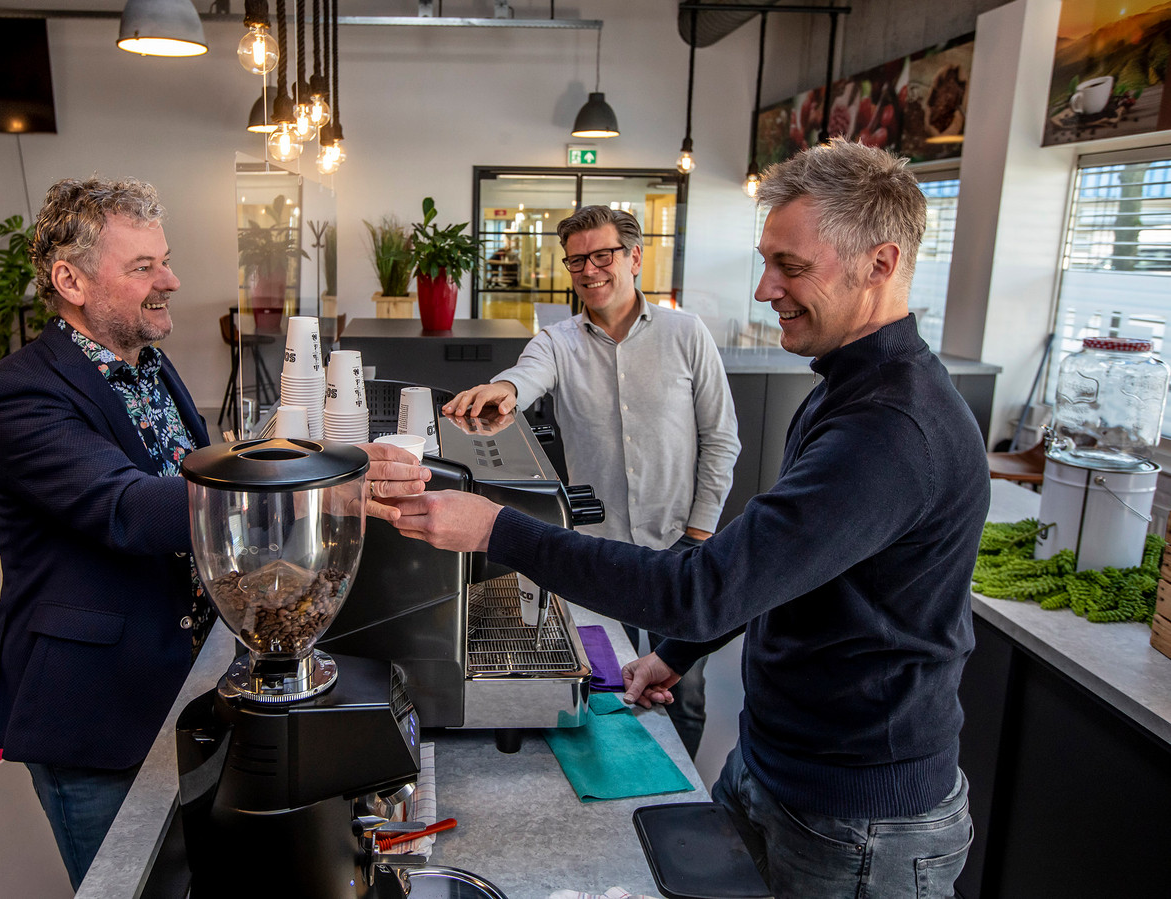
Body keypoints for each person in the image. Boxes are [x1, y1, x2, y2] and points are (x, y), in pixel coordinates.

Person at [386, 139, 988, 897]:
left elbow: (709, 584)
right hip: (778, 767)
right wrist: (676, 652)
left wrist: (492, 528)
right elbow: (782, 567)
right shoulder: (847, 387)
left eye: (791, 267)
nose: (766, 289)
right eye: (766, 260)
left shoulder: (892, 429)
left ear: (880, 262)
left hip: (859, 818)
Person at [0, 177, 428, 890]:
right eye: (143, 267)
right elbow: (126, 506)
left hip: (179, 684)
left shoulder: (147, 366)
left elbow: (196, 474)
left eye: (166, 259)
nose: (171, 281)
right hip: (95, 710)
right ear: (70, 280)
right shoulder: (18, 395)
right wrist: (316, 475)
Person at [443, 205, 742, 758]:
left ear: (633, 257)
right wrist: (502, 391)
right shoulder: (557, 342)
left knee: (687, 694)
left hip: (682, 548)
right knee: (610, 689)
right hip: (600, 553)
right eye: (576, 260)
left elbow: (721, 440)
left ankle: (680, 804)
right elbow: (524, 377)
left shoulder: (686, 334)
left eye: (602, 255)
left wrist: (700, 535)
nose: (589, 269)